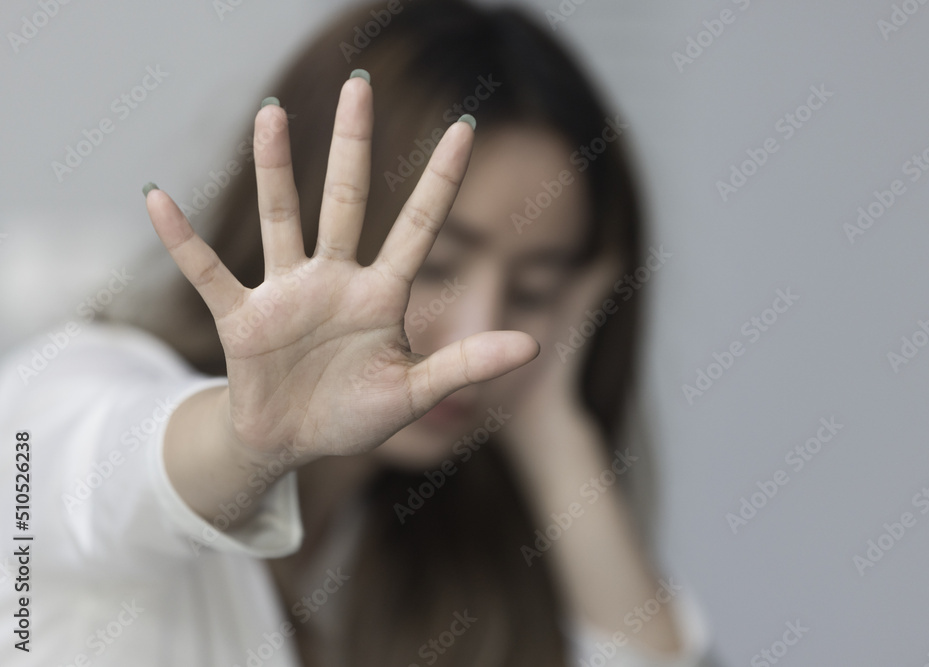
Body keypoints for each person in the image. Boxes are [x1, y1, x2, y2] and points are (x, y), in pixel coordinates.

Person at [0, 1, 718, 665]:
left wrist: (554, 430)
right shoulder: (80, 384)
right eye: (435, 267)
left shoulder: (428, 556)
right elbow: (72, 484)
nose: (478, 331)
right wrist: (246, 438)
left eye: (534, 290)